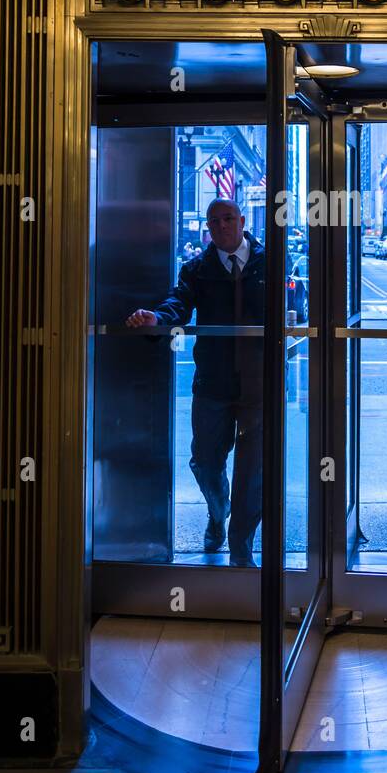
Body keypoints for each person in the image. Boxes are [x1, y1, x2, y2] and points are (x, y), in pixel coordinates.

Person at [126, 199, 265, 568]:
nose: (221, 226)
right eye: (214, 221)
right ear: (208, 227)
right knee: (205, 462)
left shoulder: (269, 262)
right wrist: (155, 318)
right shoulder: (197, 269)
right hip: (213, 382)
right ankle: (219, 515)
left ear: (242, 220)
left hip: (259, 383)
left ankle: (241, 550)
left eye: (228, 219)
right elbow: (178, 304)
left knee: (253, 471)